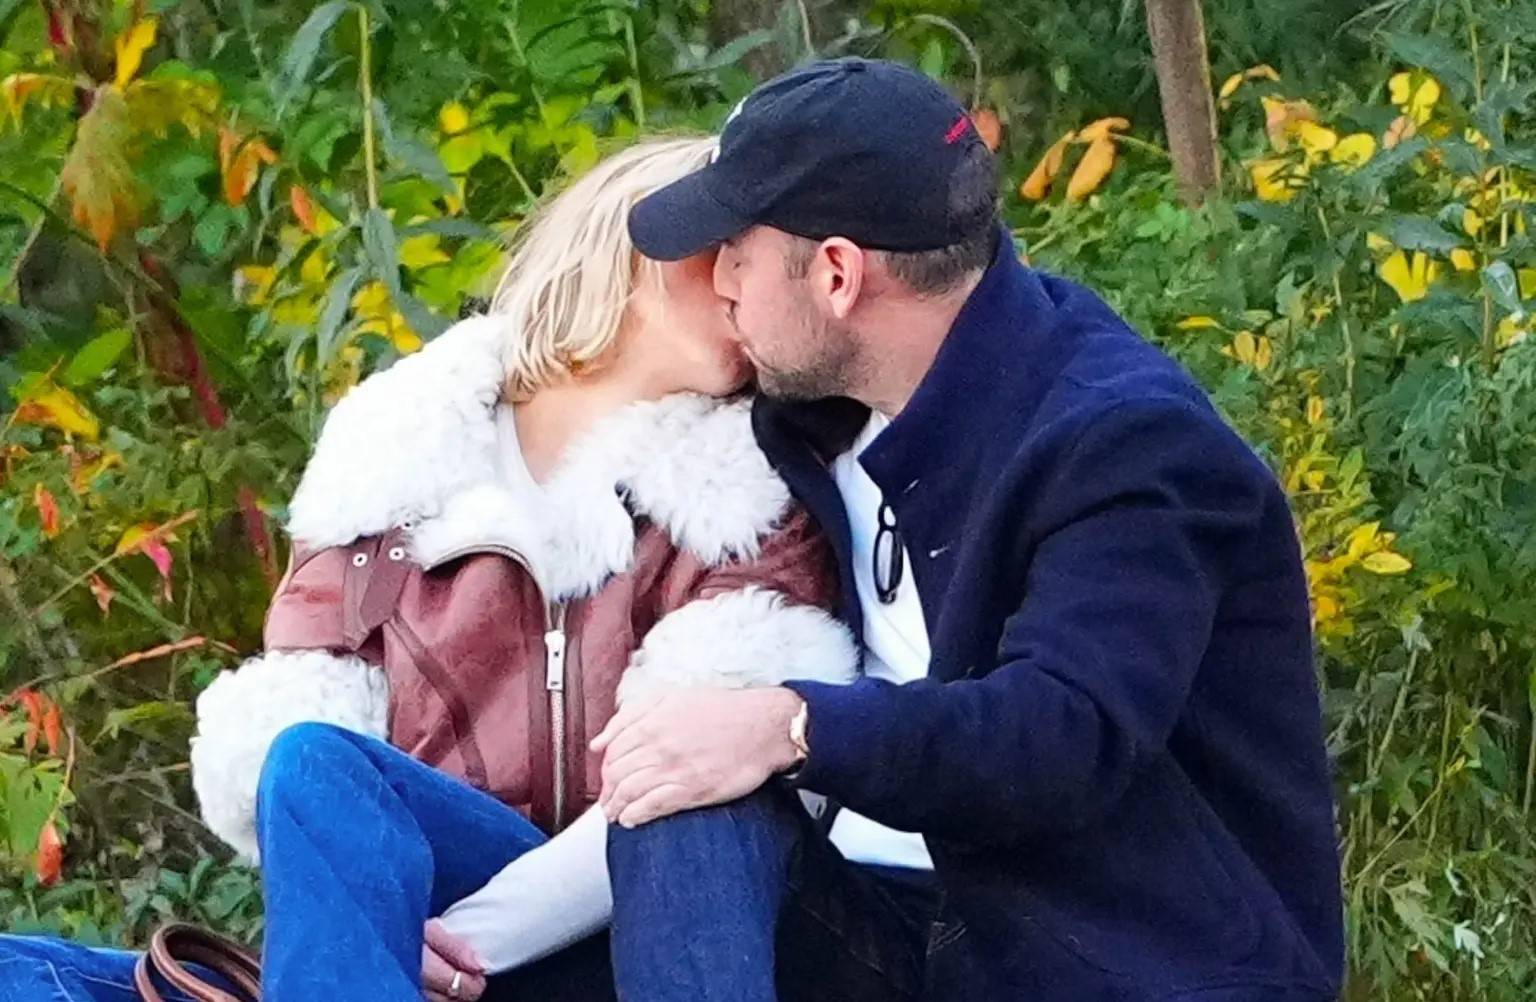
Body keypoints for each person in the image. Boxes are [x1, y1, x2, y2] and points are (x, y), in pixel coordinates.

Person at [0, 137, 867, 1001]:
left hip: (624, 936)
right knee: (35, 964)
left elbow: (692, 793)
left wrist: (442, 944)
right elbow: (301, 776)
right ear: (632, 250)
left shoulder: (750, 498)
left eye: (764, 261)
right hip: (406, 927)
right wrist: (374, 930)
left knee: (324, 776)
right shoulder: (387, 468)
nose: (745, 283)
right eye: (725, 249)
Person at [589, 58, 1346, 1001]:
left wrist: (791, 724)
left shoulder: (1127, 445)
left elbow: (1060, 735)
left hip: (1122, 964)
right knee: (648, 806)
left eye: (736, 249)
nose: (719, 283)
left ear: (837, 274)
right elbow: (589, 382)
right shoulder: (820, 411)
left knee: (713, 759)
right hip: (901, 927)